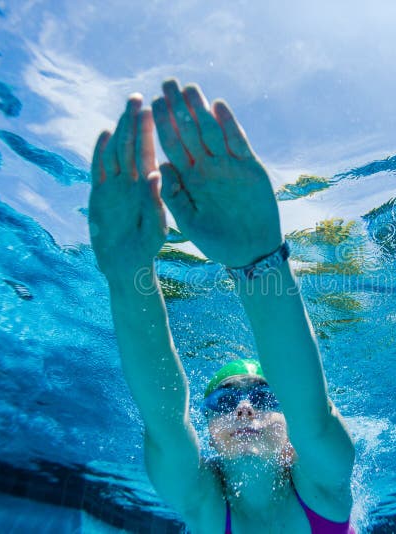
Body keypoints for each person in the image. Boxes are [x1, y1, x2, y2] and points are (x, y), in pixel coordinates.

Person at [88, 79, 356, 533]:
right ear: (210, 428)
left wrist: (262, 260)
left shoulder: (324, 486)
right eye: (226, 399)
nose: (244, 408)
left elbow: (311, 417)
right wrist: (126, 279)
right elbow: (166, 425)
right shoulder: (203, 507)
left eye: (265, 396)